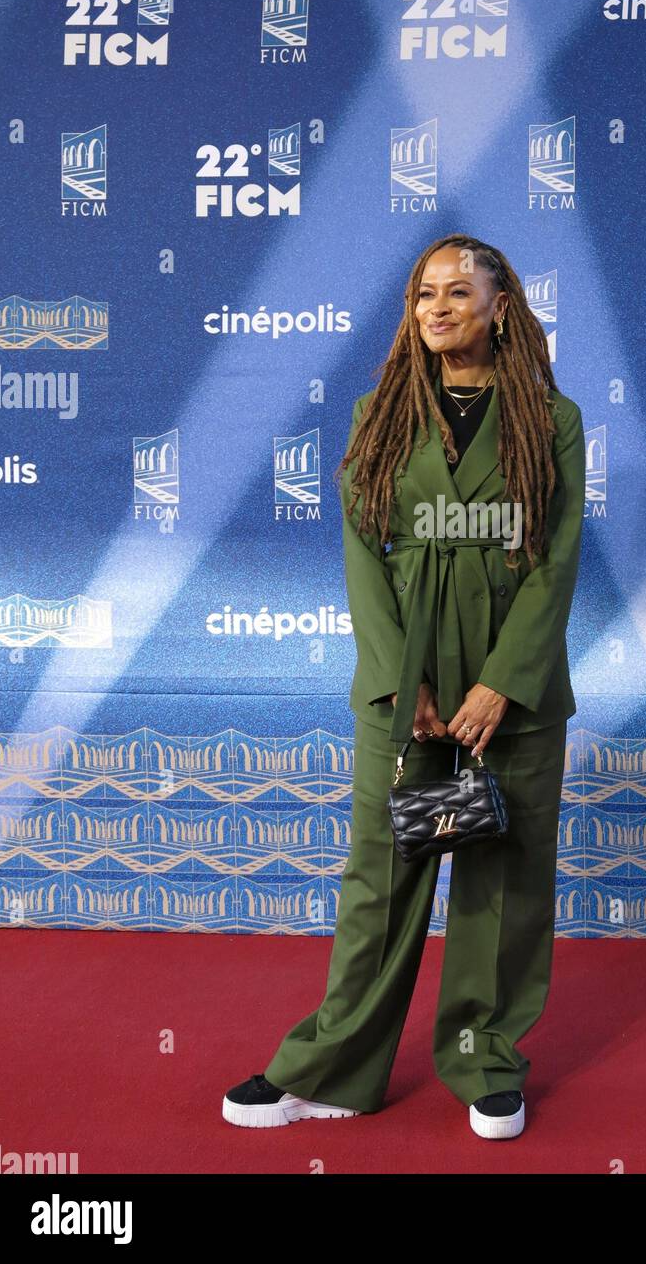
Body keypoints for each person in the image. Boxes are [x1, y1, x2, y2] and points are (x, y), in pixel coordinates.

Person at [223, 233, 585, 1140]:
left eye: (460, 292)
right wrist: (399, 679)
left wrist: (502, 682)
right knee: (380, 878)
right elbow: (360, 553)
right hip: (406, 675)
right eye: (426, 293)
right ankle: (332, 1066)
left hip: (514, 675)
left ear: (502, 306)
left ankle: (484, 1058)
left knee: (505, 877)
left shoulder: (553, 420)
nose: (438, 307)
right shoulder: (376, 414)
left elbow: (554, 564)